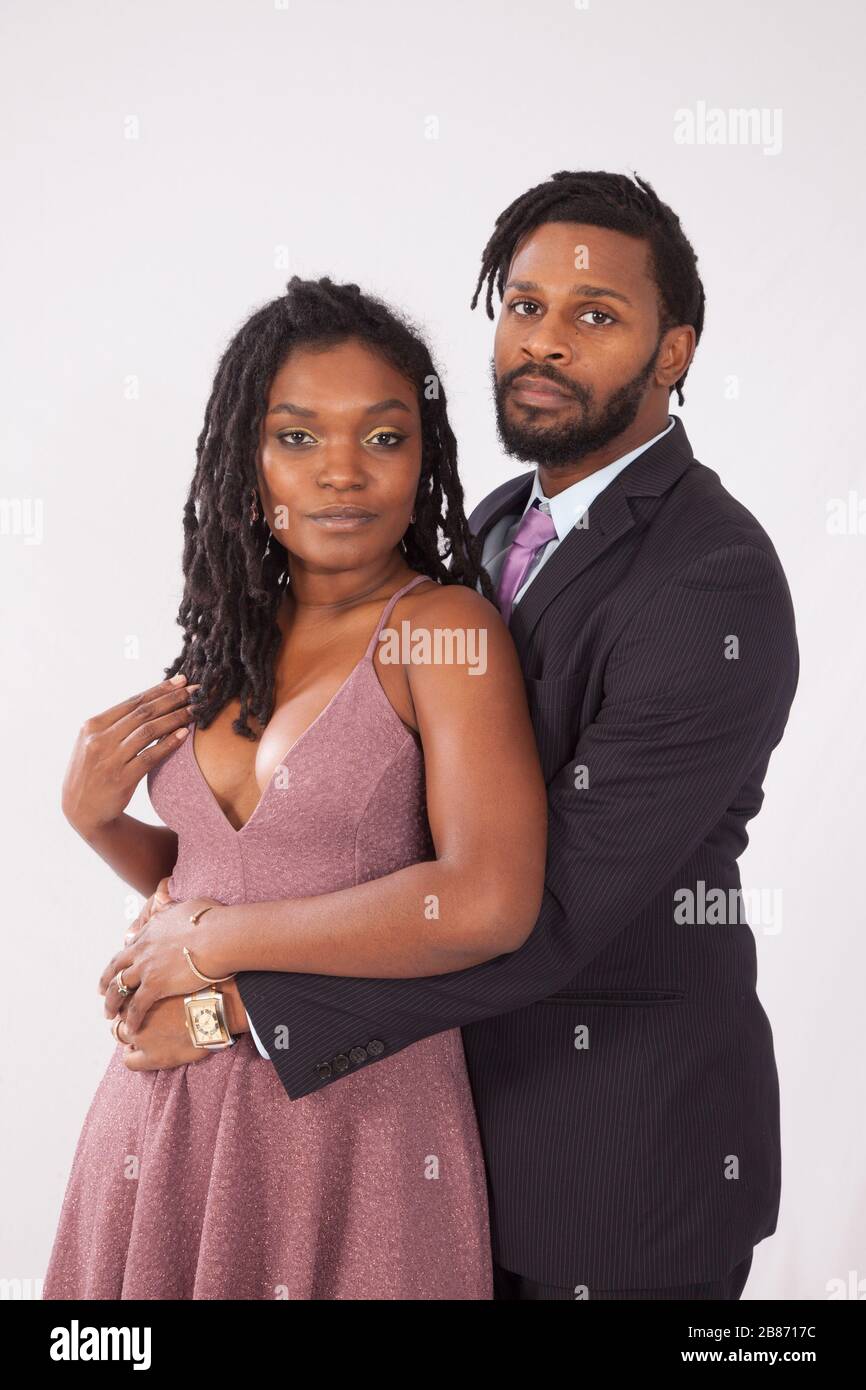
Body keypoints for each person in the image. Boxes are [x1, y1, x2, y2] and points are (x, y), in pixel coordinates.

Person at [114, 170, 798, 1302]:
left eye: (594, 315)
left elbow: (542, 907)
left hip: (609, 1167)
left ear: (672, 351)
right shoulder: (485, 529)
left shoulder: (707, 579)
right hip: (428, 1135)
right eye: (523, 306)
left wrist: (237, 996)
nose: (543, 342)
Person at [43, 276, 548, 1300]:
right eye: (297, 437)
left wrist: (211, 944)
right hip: (158, 1125)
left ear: (423, 457)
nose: (342, 475)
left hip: (355, 1128)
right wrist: (98, 822)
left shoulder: (442, 631)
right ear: (248, 459)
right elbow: (230, 870)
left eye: (382, 437)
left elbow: (487, 900)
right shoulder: (228, 636)